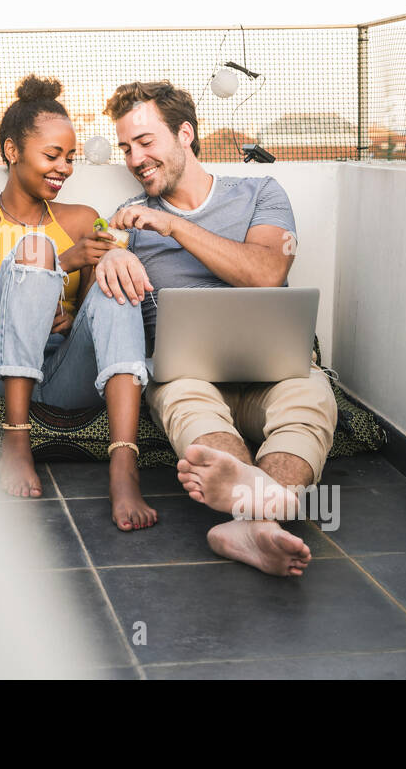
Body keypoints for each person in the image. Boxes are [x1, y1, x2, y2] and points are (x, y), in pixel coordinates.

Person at [94, 80, 339, 575]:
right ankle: (263, 522)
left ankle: (247, 517)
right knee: (186, 401)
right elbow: (101, 282)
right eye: (125, 147)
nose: (135, 158)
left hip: (273, 369)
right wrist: (107, 260)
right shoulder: (125, 218)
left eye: (145, 142)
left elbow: (268, 273)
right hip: (187, 375)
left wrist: (175, 227)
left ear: (185, 134)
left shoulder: (259, 192)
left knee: (311, 398)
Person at [0, 75, 157, 530]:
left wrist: (97, 272)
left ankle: (124, 465)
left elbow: (100, 315)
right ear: (12, 151)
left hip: (62, 375)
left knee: (115, 272)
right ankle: (16, 440)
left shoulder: (79, 218)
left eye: (71, 158)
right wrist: (60, 264)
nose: (64, 168)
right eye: (52, 155)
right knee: (37, 250)